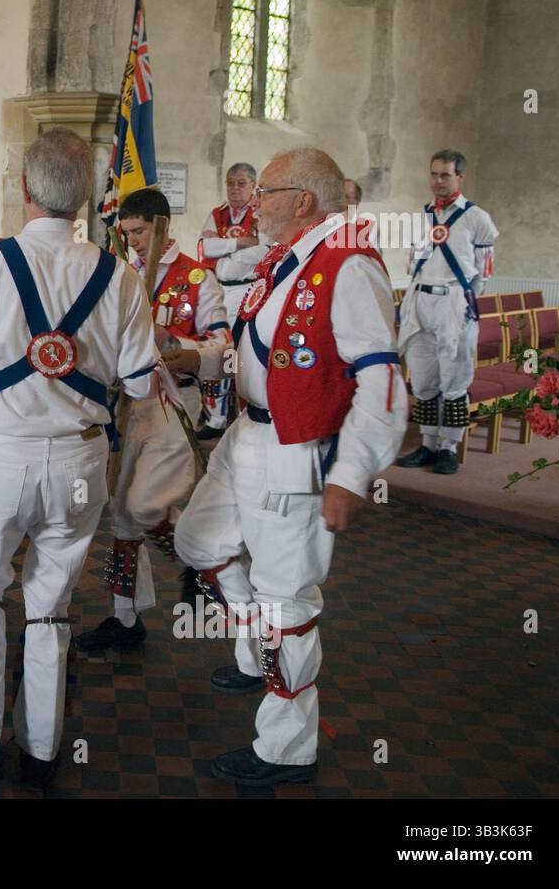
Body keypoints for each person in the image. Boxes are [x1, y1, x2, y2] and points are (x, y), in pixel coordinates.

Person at [0, 128, 160, 788]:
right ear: (84, 196)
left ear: (23, 193)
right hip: (81, 462)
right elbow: (141, 384)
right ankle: (42, 750)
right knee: (52, 602)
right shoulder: (119, 275)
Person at [172, 147, 406, 786]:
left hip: (294, 452)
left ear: (302, 200)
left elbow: (382, 383)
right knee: (198, 542)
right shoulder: (286, 259)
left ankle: (285, 748)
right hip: (245, 437)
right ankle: (257, 655)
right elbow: (255, 351)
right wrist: (193, 359)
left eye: (265, 191)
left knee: (286, 600)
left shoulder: (348, 266)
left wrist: (350, 474)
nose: (253, 203)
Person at [74, 187, 228, 653]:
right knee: (121, 517)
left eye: (140, 231)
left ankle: (201, 560)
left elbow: (223, 351)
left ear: (161, 225)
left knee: (143, 507)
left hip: (173, 406)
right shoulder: (120, 276)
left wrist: (172, 344)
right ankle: (125, 619)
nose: (134, 241)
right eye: (127, 233)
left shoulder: (198, 278)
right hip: (126, 408)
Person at [395, 149, 498, 476]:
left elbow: (484, 270)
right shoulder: (421, 216)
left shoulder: (476, 218)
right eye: (434, 174)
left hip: (454, 302)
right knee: (424, 378)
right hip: (420, 299)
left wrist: (465, 301)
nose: (437, 181)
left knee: (454, 379)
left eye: (445, 175)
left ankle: (448, 448)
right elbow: (413, 260)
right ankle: (426, 444)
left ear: (460, 177)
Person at [196, 162, 266, 440]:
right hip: (216, 288)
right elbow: (203, 247)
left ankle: (242, 415)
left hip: (246, 291)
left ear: (253, 186)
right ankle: (216, 416)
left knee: (236, 352)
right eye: (230, 183)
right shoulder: (218, 214)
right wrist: (238, 244)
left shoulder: (260, 213)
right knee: (216, 349)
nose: (235, 189)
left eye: (241, 183)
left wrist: (224, 252)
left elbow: (264, 250)